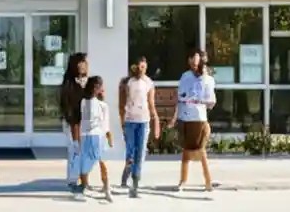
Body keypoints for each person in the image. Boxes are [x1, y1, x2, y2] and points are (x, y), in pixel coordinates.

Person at [168, 49, 216, 194]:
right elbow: (180, 97)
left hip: (199, 119)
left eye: (197, 64)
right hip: (185, 118)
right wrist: (174, 118)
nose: (195, 67)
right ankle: (183, 181)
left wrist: (200, 100)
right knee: (186, 153)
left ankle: (208, 181)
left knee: (201, 151)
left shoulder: (208, 80)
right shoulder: (185, 76)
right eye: (193, 64)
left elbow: (212, 102)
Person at [117, 55, 158, 198]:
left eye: (144, 67)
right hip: (130, 121)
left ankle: (135, 184)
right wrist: (122, 122)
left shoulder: (149, 83)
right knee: (131, 152)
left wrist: (156, 121)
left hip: (144, 121)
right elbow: (121, 105)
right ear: (134, 67)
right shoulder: (126, 82)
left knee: (140, 152)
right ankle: (126, 173)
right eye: (140, 67)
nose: (142, 70)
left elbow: (151, 104)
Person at [75, 75, 115, 202]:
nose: (99, 89)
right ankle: (85, 185)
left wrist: (109, 137)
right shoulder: (83, 102)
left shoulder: (102, 105)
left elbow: (106, 124)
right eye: (97, 86)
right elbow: (81, 121)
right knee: (85, 162)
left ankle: (107, 186)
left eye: (100, 87)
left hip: (97, 135)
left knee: (101, 161)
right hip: (86, 135)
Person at [58, 52, 90, 194]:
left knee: (84, 152)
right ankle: (72, 180)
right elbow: (68, 107)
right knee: (75, 150)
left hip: (85, 123)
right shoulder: (69, 84)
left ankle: (84, 180)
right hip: (72, 122)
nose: (85, 64)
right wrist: (74, 127)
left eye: (85, 62)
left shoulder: (89, 82)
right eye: (82, 62)